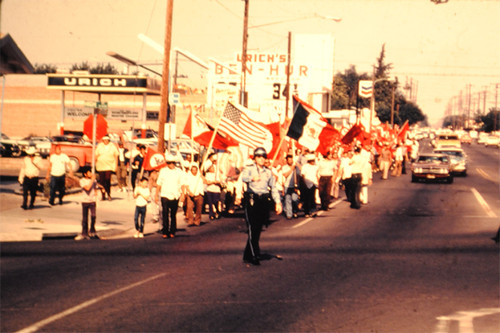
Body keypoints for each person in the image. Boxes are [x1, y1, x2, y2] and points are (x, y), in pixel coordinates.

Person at [241, 147, 283, 266]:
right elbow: (243, 178)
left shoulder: (268, 172)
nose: (261, 159)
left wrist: (278, 202)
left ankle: (247, 254)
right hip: (252, 198)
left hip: (263, 199)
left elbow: (273, 188)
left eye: (263, 156)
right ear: (255, 158)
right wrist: (251, 179)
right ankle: (254, 254)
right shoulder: (249, 169)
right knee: (252, 227)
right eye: (259, 156)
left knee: (258, 228)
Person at [155, 154, 185, 239]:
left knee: (173, 214)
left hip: (175, 195)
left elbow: (182, 183)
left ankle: (172, 231)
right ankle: (165, 231)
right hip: (165, 194)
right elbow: (159, 183)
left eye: (172, 163)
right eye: (168, 163)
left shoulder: (179, 171)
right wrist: (156, 195)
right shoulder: (163, 171)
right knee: (165, 213)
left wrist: (183, 194)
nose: (170, 165)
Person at [76, 166, 102, 240]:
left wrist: (98, 194)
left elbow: (95, 188)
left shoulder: (94, 180)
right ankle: (84, 233)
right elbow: (87, 188)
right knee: (85, 218)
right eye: (89, 172)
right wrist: (92, 180)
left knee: (93, 216)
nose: (91, 173)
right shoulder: (82, 181)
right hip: (85, 201)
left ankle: (92, 231)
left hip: (92, 200)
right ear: (85, 174)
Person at [95, 135, 119, 200]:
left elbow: (116, 156)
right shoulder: (100, 146)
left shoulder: (112, 146)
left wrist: (116, 166)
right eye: (104, 140)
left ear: (109, 140)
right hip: (100, 165)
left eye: (107, 140)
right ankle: (103, 195)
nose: (105, 141)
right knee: (102, 181)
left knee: (107, 179)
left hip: (109, 165)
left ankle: (108, 194)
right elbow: (96, 155)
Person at [282, 154, 301, 219]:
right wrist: (291, 169)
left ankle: (295, 211)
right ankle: (289, 214)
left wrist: (297, 166)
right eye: (289, 160)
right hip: (287, 186)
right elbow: (285, 175)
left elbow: (299, 174)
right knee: (288, 200)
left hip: (294, 186)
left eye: (291, 159)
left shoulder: (296, 167)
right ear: (287, 161)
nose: (290, 161)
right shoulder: (284, 167)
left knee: (295, 199)